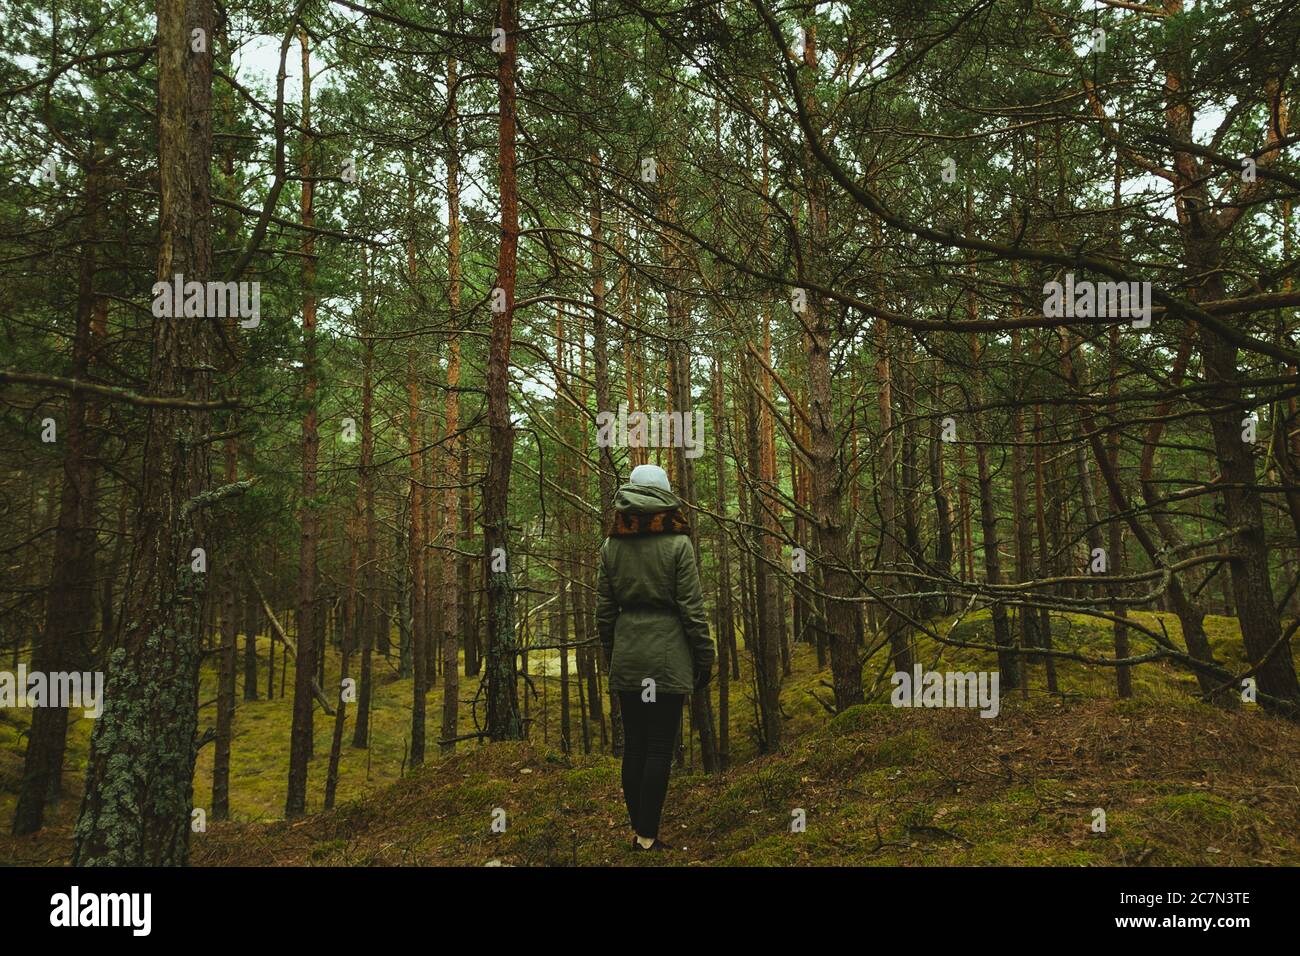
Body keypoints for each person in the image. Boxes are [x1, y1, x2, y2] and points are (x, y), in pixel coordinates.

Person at [596, 463, 714, 852]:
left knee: (635, 745)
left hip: (630, 657)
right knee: (660, 746)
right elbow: (692, 609)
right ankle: (647, 834)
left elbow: (605, 611)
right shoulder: (678, 544)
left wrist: (613, 656)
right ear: (664, 495)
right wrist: (704, 655)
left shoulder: (612, 545)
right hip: (666, 658)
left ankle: (640, 831)